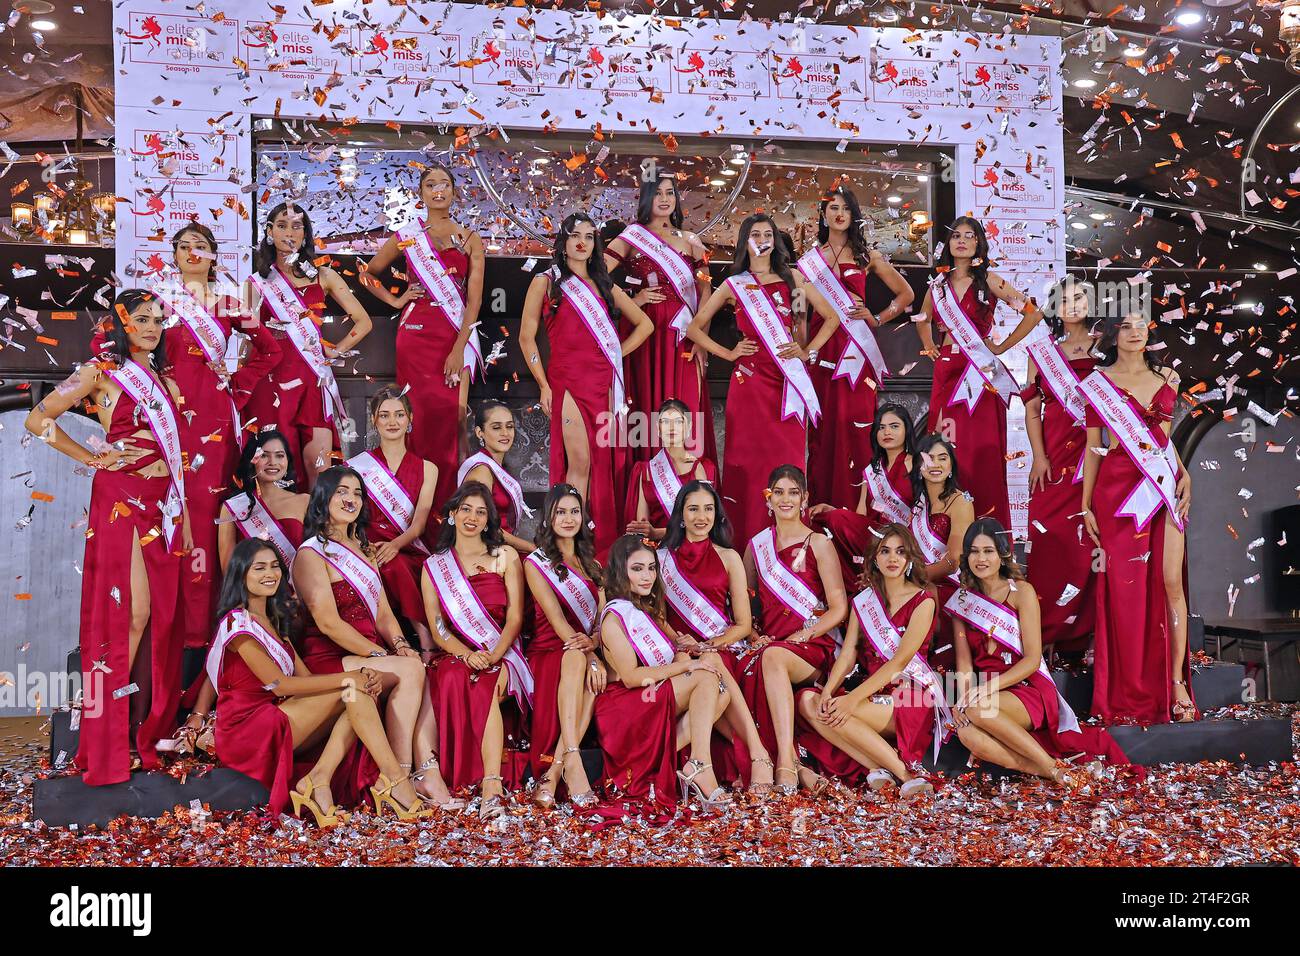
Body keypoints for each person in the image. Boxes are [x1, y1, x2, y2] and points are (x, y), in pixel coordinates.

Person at [25, 289, 189, 783]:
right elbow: (39, 420)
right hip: (122, 498)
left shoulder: (163, 376)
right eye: (142, 319)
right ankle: (110, 739)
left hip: (163, 504)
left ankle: (140, 732)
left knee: (157, 617)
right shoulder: (99, 371)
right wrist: (92, 458)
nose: (153, 327)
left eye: (158, 319)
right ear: (120, 322)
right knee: (130, 616)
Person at [209, 539, 430, 824]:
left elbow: (308, 680)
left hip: (278, 715)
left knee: (358, 690)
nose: (270, 573)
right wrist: (349, 677)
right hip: (247, 730)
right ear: (241, 574)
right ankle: (395, 779)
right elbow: (279, 685)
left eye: (275, 566)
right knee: (352, 686)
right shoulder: (237, 625)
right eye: (259, 568)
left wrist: (361, 677)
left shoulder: (276, 623)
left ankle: (318, 779)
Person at [292, 466, 458, 809]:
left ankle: (406, 776)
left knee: (415, 665)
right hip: (328, 656)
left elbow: (383, 614)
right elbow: (327, 623)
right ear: (323, 498)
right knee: (410, 670)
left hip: (368, 652)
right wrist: (378, 654)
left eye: (356, 493)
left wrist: (400, 645)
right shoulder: (311, 553)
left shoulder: (362, 549)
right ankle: (398, 779)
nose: (350, 499)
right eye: (341, 491)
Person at [156, 222, 280, 652]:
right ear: (172, 254)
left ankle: (204, 635)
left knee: (207, 520)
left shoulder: (228, 303)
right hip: (166, 419)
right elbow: (111, 346)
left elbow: (271, 350)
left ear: (214, 257)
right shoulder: (155, 301)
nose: (193, 252)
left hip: (212, 422)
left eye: (202, 246)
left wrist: (239, 385)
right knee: (167, 516)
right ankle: (165, 629)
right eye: (184, 246)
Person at [685, 214, 841, 545]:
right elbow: (694, 327)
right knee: (746, 467)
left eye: (767, 233)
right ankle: (742, 549)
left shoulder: (794, 279)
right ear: (746, 241)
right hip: (749, 386)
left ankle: (789, 549)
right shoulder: (733, 284)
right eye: (755, 233)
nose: (762, 238)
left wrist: (807, 351)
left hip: (786, 386)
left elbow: (831, 317)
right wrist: (728, 354)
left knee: (788, 462)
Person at [949, 519, 1132, 781]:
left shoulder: (1022, 592)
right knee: (967, 733)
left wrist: (980, 693)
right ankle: (1046, 770)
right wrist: (963, 699)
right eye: (974, 551)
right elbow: (965, 665)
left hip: (1027, 687)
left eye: (988, 551)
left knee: (979, 710)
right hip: (987, 692)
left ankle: (1053, 767)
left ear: (1002, 554)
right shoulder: (962, 602)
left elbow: (1033, 660)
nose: (981, 558)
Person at [1081, 314, 1194, 724]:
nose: (1135, 331)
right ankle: (1128, 686)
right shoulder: (1096, 382)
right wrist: (1085, 505)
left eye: (1142, 325)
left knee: (1169, 582)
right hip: (1116, 491)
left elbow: (1163, 440)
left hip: (1162, 487)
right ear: (1114, 334)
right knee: (1124, 589)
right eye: (1126, 326)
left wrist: (1184, 473)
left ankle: (1177, 681)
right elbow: (1094, 447)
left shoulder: (1168, 376)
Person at [170, 428, 309, 758]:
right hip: (253, 597)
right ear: (251, 461)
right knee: (230, 637)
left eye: (280, 456)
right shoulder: (233, 507)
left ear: (289, 462)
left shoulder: (304, 501)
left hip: (298, 601)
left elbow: (310, 555)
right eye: (265, 455)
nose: (272, 462)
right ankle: (198, 720)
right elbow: (231, 565)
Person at [519, 213, 654, 553]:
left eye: (589, 236)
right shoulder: (545, 281)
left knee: (601, 464)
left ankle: (593, 542)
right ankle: (567, 545)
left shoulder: (605, 283)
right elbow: (525, 339)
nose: (581, 242)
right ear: (562, 241)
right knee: (579, 463)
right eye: (574, 235)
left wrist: (614, 355)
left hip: (604, 384)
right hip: (566, 382)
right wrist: (543, 385)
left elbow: (645, 325)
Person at [364, 164, 484, 506]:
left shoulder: (470, 238)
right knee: (414, 419)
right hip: (414, 337)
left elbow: (473, 302)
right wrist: (397, 298)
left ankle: (448, 511)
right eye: (430, 184)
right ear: (421, 193)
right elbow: (368, 274)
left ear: (454, 192)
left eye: (444, 184)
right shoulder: (408, 233)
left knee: (453, 423)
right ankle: (411, 507)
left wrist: (459, 348)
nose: (438, 190)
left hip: (454, 337)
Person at [915, 217, 1043, 529]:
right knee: (944, 448)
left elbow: (1032, 312)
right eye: (955, 235)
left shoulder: (990, 281)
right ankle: (943, 532)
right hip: (948, 371)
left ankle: (987, 535)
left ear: (978, 244)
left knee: (981, 455)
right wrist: (929, 343)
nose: (961, 241)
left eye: (968, 236)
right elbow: (922, 317)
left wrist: (1002, 347)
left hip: (981, 373)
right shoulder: (938, 286)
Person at [797, 524, 943, 798]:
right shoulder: (863, 601)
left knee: (836, 711)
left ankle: (905, 774)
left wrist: (850, 700)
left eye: (900, 552)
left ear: (910, 558)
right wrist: (828, 689)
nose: (892, 558)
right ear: (874, 558)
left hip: (911, 695)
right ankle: (878, 766)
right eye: (885, 551)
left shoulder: (923, 601)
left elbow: (899, 663)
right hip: (874, 691)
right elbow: (849, 651)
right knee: (809, 701)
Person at [595, 534, 733, 810]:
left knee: (722, 694)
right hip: (627, 705)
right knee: (705, 677)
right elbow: (632, 677)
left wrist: (684, 654)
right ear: (621, 571)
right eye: (637, 569)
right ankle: (700, 765)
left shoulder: (645, 608)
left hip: (647, 694)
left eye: (651, 567)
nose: (647, 576)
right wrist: (684, 666)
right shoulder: (615, 618)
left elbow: (673, 650)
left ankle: (664, 762)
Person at [421, 481, 532, 820]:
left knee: (486, 681)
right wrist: (466, 654)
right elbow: (438, 627)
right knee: (457, 674)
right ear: (452, 514)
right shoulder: (434, 567)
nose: (472, 517)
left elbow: (514, 618)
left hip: (503, 651)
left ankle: (491, 785)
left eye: (481, 512)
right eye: (465, 509)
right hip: (457, 653)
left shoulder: (505, 557)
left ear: (489, 520)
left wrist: (495, 655)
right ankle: (471, 780)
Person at [798, 187, 914, 509]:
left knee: (856, 425)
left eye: (845, 209)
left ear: (853, 215)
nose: (838, 214)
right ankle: (821, 509)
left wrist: (878, 318)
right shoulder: (808, 261)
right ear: (823, 215)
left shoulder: (867, 257)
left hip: (856, 352)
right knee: (821, 430)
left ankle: (858, 510)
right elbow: (801, 313)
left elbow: (906, 295)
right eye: (832, 208)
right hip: (822, 350)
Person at [658, 480, 776, 793]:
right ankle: (757, 755)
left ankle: (755, 753)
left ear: (716, 514)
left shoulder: (729, 557)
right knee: (702, 665)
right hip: (678, 650)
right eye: (693, 508)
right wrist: (679, 641)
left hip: (720, 648)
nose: (701, 516)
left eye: (708, 509)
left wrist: (710, 644)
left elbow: (742, 623)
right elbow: (655, 613)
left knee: (710, 660)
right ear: (681, 515)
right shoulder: (661, 560)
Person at [246, 203, 372, 487]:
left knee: (320, 472)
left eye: (296, 226)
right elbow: (248, 340)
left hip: (312, 382)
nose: (289, 232)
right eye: (281, 225)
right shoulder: (257, 282)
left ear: (306, 233)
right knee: (271, 472)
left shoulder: (324, 275)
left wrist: (334, 351)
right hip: (270, 384)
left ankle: (317, 532)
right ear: (269, 232)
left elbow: (363, 322)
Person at [738, 465, 847, 794]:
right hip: (774, 647)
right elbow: (745, 603)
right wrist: (755, 636)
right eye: (778, 492)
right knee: (759, 659)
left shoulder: (819, 544)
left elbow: (839, 608)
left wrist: (803, 635)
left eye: (793, 492)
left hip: (812, 647)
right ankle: (795, 765)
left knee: (771, 657)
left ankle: (784, 759)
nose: (786, 499)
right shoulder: (756, 546)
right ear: (768, 498)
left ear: (805, 499)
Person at [604, 171, 717, 461]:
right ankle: (649, 477)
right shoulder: (631, 237)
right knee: (647, 400)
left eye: (670, 193)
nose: (664, 199)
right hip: (647, 333)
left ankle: (687, 477)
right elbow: (595, 273)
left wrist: (702, 338)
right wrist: (634, 300)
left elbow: (707, 290)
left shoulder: (691, 239)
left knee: (686, 399)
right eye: (657, 193)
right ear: (645, 198)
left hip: (684, 334)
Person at [1023, 277, 1099, 652]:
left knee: (1092, 544)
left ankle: (1088, 633)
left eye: (1079, 298)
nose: (1072, 304)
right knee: (1051, 540)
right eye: (1065, 299)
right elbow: (1032, 409)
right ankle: (1047, 634)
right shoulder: (1041, 352)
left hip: (1096, 455)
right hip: (1054, 456)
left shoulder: (1106, 348)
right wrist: (1039, 456)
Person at [524, 484, 604, 808]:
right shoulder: (536, 563)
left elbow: (601, 622)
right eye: (561, 512)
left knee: (583, 666)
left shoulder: (593, 565)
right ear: (549, 518)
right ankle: (570, 761)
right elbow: (560, 625)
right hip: (549, 648)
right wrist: (592, 656)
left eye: (574, 511)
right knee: (575, 659)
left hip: (583, 648)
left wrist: (596, 650)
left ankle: (555, 773)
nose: (568, 518)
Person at [348, 385, 438, 653]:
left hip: (407, 546)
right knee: (386, 565)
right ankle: (420, 638)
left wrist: (396, 544)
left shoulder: (428, 469)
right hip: (369, 547)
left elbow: (420, 523)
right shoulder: (357, 467)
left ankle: (422, 637)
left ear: (410, 419)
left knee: (397, 564)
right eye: (384, 415)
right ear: (374, 420)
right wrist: (367, 548)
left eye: (399, 415)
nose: (392, 421)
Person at [810, 403, 919, 585]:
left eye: (894, 426)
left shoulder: (916, 463)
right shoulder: (871, 471)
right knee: (821, 522)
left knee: (836, 518)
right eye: (881, 427)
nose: (887, 432)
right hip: (873, 536)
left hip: (905, 537)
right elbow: (861, 516)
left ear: (907, 430)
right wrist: (834, 512)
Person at [909, 433, 974, 672]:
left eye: (942, 458)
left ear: (951, 465)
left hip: (949, 587)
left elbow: (953, 561)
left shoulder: (961, 502)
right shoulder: (918, 504)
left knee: (922, 594)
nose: (935, 464)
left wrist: (913, 578)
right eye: (928, 458)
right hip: (920, 582)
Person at [624, 397, 718, 540]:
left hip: (691, 547)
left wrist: (658, 533)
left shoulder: (699, 468)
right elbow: (643, 526)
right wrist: (649, 534)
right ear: (658, 428)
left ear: (688, 427)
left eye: (678, 422)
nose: (672, 427)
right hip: (656, 551)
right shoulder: (646, 470)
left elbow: (702, 522)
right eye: (666, 422)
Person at [457, 400, 535, 554]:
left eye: (510, 426)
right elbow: (480, 525)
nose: (505, 433)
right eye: (496, 427)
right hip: (486, 551)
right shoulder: (481, 471)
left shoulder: (496, 467)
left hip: (503, 547)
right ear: (480, 432)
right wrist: (531, 547)